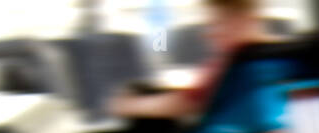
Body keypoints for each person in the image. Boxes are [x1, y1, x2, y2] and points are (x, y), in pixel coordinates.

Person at [110, 0, 278, 120]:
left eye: (216, 24)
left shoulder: (232, 64)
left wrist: (131, 106)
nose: (208, 34)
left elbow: (184, 104)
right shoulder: (277, 55)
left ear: (243, 21)